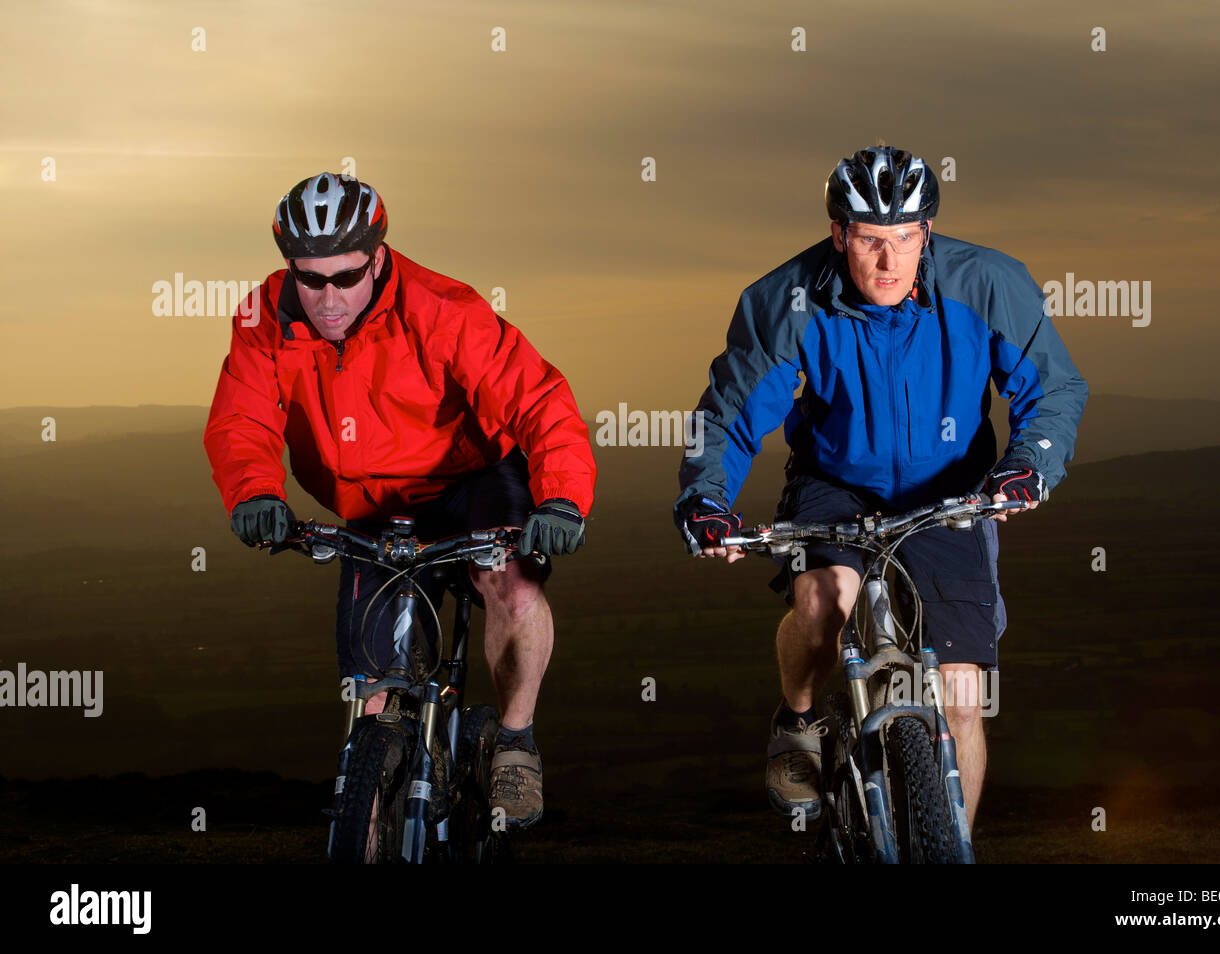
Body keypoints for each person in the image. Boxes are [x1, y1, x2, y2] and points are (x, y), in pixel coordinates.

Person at [674, 146, 1087, 827]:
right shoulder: (788, 298)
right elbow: (731, 413)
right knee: (821, 599)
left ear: (927, 232)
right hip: (835, 481)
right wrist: (707, 498)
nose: (889, 261)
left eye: (904, 238)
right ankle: (799, 719)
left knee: (961, 693)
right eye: (870, 241)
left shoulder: (985, 281)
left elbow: (1054, 387)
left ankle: (948, 847)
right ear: (839, 235)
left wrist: (1029, 464)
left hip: (949, 488)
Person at [204, 172, 596, 830]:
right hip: (373, 506)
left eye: (346, 277)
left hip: (473, 478)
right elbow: (242, 419)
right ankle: (368, 820)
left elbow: (537, 399)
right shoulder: (263, 317)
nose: (328, 298)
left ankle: (517, 743)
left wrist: (560, 499)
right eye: (310, 277)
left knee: (514, 586)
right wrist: (254, 491)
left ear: (379, 257)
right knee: (375, 700)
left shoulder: (443, 309)